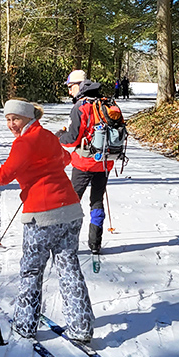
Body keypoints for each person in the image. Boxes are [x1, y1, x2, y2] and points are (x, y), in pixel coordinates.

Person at [0, 99, 94, 343]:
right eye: (8, 120)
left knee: (31, 271)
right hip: (71, 210)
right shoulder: (48, 136)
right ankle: (81, 327)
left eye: (16, 119)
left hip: (41, 218)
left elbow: (2, 176)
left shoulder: (24, 142)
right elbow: (65, 160)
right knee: (69, 269)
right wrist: (41, 170)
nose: (11, 124)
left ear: (28, 119)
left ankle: (25, 325)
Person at [57, 69, 114, 255]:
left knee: (71, 201)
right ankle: (95, 244)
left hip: (84, 162)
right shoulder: (104, 102)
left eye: (71, 86)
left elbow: (72, 139)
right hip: (105, 161)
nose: (69, 91)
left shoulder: (80, 107)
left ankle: (65, 243)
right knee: (97, 200)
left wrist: (59, 137)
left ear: (80, 85)